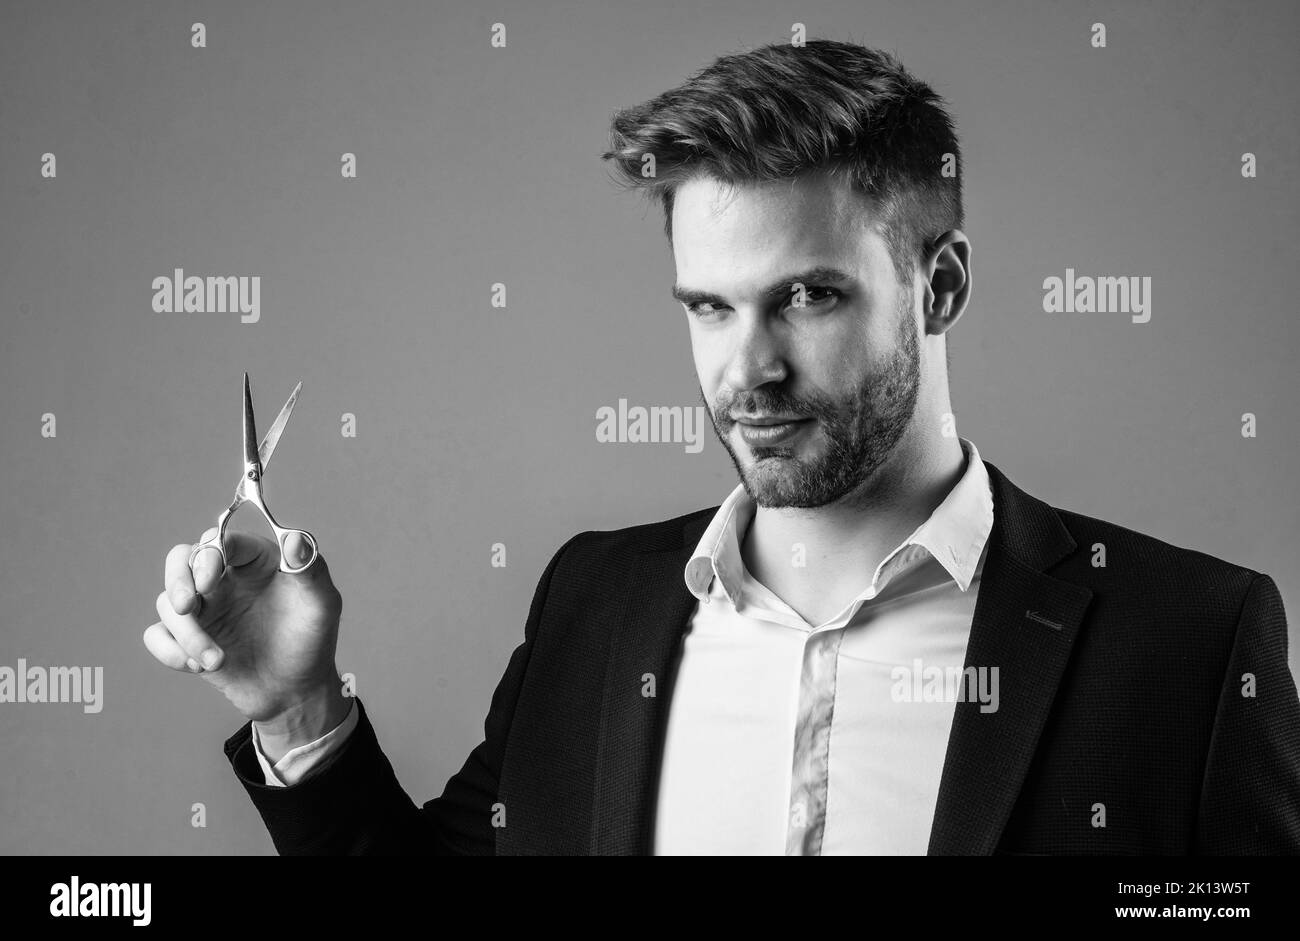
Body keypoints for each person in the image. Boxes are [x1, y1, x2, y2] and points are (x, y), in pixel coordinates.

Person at [144, 39, 1300, 855]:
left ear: (938, 284)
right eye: (708, 306)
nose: (746, 369)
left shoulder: (1185, 647)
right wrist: (297, 706)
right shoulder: (592, 606)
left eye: (805, 296)